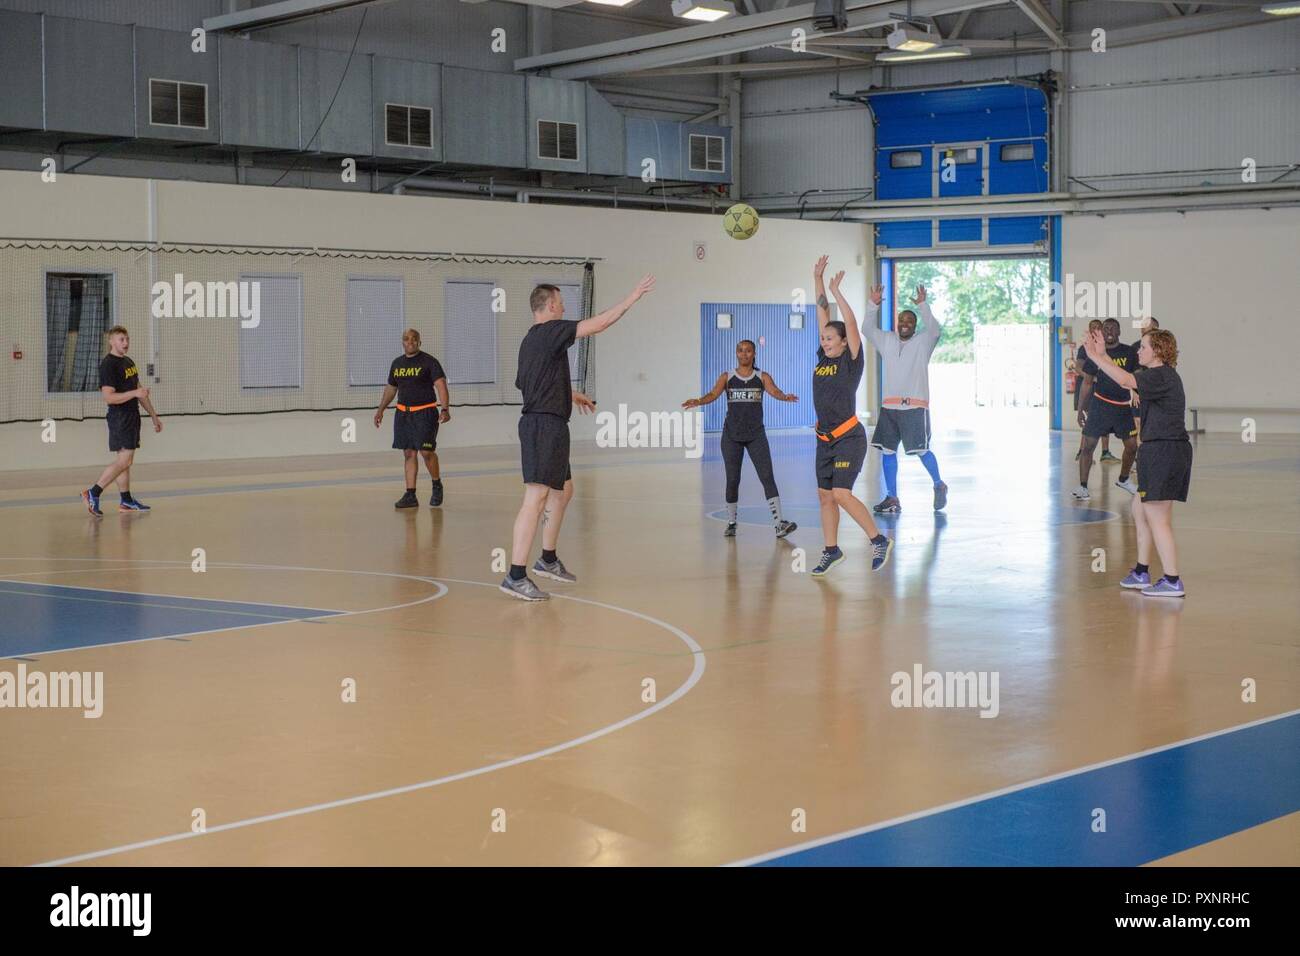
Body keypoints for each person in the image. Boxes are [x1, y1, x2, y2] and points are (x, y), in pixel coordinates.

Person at [501, 276, 655, 601]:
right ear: (550, 305)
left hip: (551, 424)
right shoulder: (550, 330)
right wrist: (632, 298)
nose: (564, 307)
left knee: (564, 491)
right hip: (543, 426)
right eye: (561, 302)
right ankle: (515, 575)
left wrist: (568, 394)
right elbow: (598, 325)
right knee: (536, 497)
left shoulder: (531, 341)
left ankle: (548, 559)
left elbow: (527, 384)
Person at [1084, 327, 1190, 598]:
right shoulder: (1155, 376)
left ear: (1158, 351)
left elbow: (1125, 380)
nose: (1138, 351)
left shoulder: (1161, 375)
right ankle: (1142, 571)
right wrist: (1103, 355)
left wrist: (1097, 359)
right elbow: (1124, 380)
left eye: (1143, 347)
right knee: (1139, 508)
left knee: (1158, 517)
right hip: (1157, 450)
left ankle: (1172, 579)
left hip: (1164, 450)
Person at [810, 256, 892, 577]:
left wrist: (837, 291)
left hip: (848, 438)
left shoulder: (851, 358)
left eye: (830, 338)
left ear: (844, 342)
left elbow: (850, 323)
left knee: (842, 494)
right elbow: (822, 312)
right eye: (823, 338)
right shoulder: (823, 357)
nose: (825, 341)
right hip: (823, 439)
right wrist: (817, 279)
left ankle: (878, 539)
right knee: (825, 496)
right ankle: (832, 550)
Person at [683, 339, 798, 539]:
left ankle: (779, 524)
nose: (744, 354)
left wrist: (784, 397)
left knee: (767, 477)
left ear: (754, 354)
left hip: (756, 435)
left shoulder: (762, 376)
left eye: (748, 351)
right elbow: (713, 394)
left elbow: (774, 391)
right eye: (740, 350)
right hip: (732, 436)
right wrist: (698, 401)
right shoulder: (727, 377)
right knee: (733, 479)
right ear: (736, 353)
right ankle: (731, 522)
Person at [862, 284, 948, 513]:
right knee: (887, 452)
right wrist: (873, 304)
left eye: (910, 321)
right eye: (902, 320)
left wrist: (922, 305)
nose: (905, 324)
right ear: (897, 323)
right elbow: (867, 329)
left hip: (914, 407)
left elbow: (936, 330)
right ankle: (892, 498)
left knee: (921, 450)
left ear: (915, 325)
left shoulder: (923, 342)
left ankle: (939, 485)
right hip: (889, 407)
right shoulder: (887, 340)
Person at [80, 325, 162, 516]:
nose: (125, 343)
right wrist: (135, 392)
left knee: (125, 461)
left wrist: (154, 415)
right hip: (120, 418)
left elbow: (140, 391)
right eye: (121, 340)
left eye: (127, 339)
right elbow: (109, 397)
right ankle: (92, 493)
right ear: (111, 341)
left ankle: (125, 501)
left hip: (132, 416)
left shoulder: (128, 362)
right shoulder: (109, 365)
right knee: (124, 460)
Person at [374, 329, 451, 508]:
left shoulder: (429, 362)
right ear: (402, 342)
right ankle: (410, 495)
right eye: (407, 339)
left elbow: (441, 386)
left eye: (414, 339)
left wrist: (445, 409)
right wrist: (381, 410)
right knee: (409, 453)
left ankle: (436, 483)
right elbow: (391, 389)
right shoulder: (397, 364)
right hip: (403, 414)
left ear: (419, 342)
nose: (410, 342)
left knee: (426, 452)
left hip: (425, 413)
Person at [1073, 318, 1139, 500]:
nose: (1109, 331)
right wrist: (1080, 410)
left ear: (1119, 332)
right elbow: (1086, 383)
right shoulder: (1095, 354)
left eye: (1113, 328)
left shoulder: (1129, 352)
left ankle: (1124, 479)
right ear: (1101, 332)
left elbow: (1137, 378)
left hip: (1123, 409)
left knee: (1132, 446)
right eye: (1106, 328)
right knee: (1088, 446)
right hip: (1100, 406)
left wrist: (1138, 394)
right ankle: (1083, 487)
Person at [1074, 319, 1118, 464]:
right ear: (1089, 329)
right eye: (1093, 328)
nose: (1096, 330)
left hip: (1102, 391)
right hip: (1088, 389)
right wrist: (1092, 378)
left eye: (1099, 328)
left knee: (1105, 419)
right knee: (1089, 421)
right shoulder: (1084, 348)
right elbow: (1078, 368)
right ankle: (1082, 452)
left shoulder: (1105, 349)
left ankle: (1105, 452)